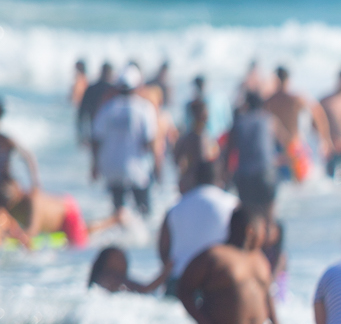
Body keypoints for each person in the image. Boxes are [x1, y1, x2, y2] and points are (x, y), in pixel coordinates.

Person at [156, 158, 237, 295]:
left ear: (194, 179)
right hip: (216, 283)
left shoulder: (175, 208)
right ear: (221, 179)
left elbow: (163, 248)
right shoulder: (233, 206)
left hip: (179, 282)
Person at [91, 73, 163, 218]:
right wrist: (157, 166)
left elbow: (96, 139)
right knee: (143, 212)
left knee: (118, 212)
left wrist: (95, 165)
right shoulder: (144, 108)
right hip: (137, 169)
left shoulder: (108, 108)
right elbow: (151, 140)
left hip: (112, 168)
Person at [262, 65, 331, 184]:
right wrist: (324, 138)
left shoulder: (269, 101)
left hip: (277, 148)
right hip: (293, 146)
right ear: (288, 80)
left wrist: (324, 138)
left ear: (275, 80)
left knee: (280, 185)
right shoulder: (295, 99)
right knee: (297, 186)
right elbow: (318, 113)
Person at [0, 177, 100, 251]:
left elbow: (32, 231)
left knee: (78, 248)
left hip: (68, 213)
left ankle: (106, 223)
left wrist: (14, 236)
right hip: (55, 222)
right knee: (84, 230)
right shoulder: (8, 204)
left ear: (19, 192)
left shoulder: (33, 200)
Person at [221, 89, 279, 215]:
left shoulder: (238, 122)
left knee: (248, 217)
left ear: (246, 105)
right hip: (266, 173)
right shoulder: (268, 119)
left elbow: (229, 152)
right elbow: (281, 143)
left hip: (245, 176)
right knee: (269, 215)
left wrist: (226, 177)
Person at [173, 76, 213, 192]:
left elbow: (176, 157)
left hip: (193, 183)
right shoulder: (198, 136)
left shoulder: (193, 135)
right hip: (198, 184)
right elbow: (204, 162)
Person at [0, 97, 40, 196]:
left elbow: (28, 157)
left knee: (7, 193)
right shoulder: (6, 140)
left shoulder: (7, 141)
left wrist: (35, 184)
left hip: (5, 183)